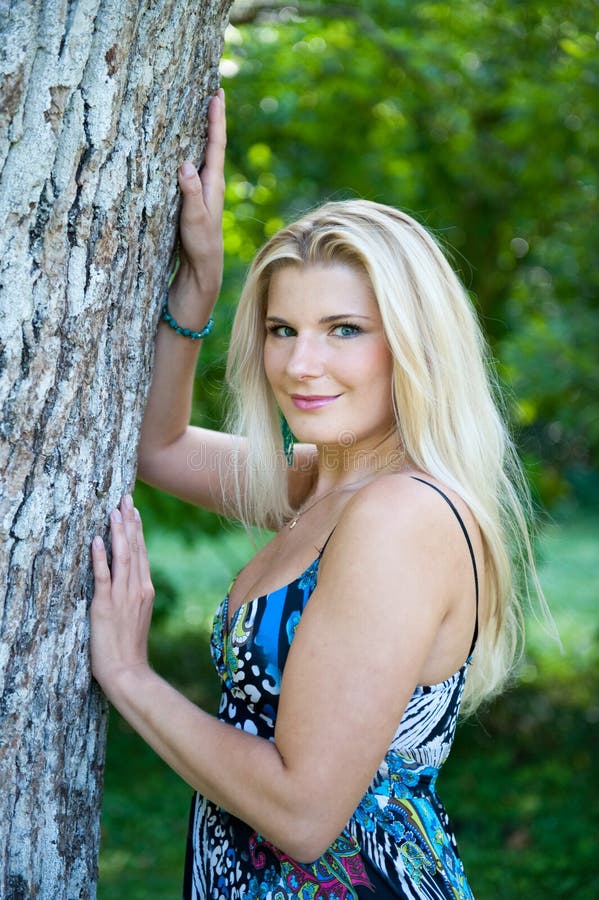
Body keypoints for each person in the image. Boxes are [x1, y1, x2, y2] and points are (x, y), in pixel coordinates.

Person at [90, 89, 550, 899]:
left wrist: (129, 675)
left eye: (344, 330)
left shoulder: (398, 516)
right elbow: (156, 448)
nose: (301, 365)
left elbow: (304, 815)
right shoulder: (322, 482)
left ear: (412, 344)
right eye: (281, 329)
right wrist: (198, 285)